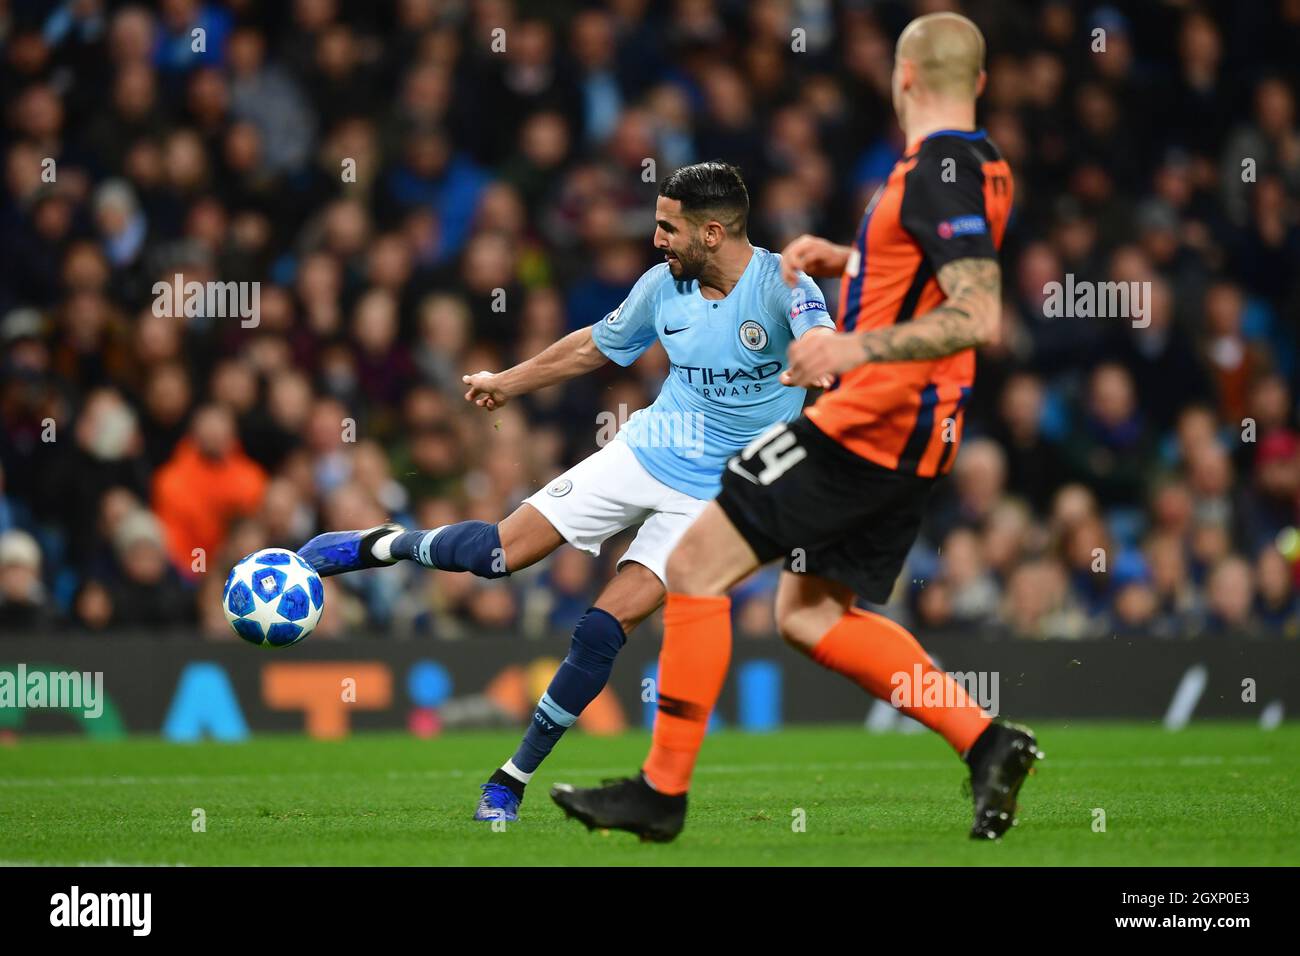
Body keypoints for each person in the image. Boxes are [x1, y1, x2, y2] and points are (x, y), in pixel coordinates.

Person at [551, 12, 1041, 843]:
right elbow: (933, 279)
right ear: (981, 83)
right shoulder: (985, 167)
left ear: (904, 77)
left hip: (872, 418)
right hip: (924, 430)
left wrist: (847, 343)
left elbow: (977, 312)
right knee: (808, 615)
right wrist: (852, 265)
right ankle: (987, 740)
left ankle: (661, 793)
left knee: (697, 562)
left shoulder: (937, 170)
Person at [296, 161, 836, 821]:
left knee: (604, 628)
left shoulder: (783, 286)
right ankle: (384, 543)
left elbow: (822, 345)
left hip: (715, 500)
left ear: (714, 232)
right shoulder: (663, 287)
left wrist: (817, 362)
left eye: (669, 228)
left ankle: (509, 779)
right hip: (645, 451)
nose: (657, 239)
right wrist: (508, 381)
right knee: (498, 555)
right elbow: (596, 349)